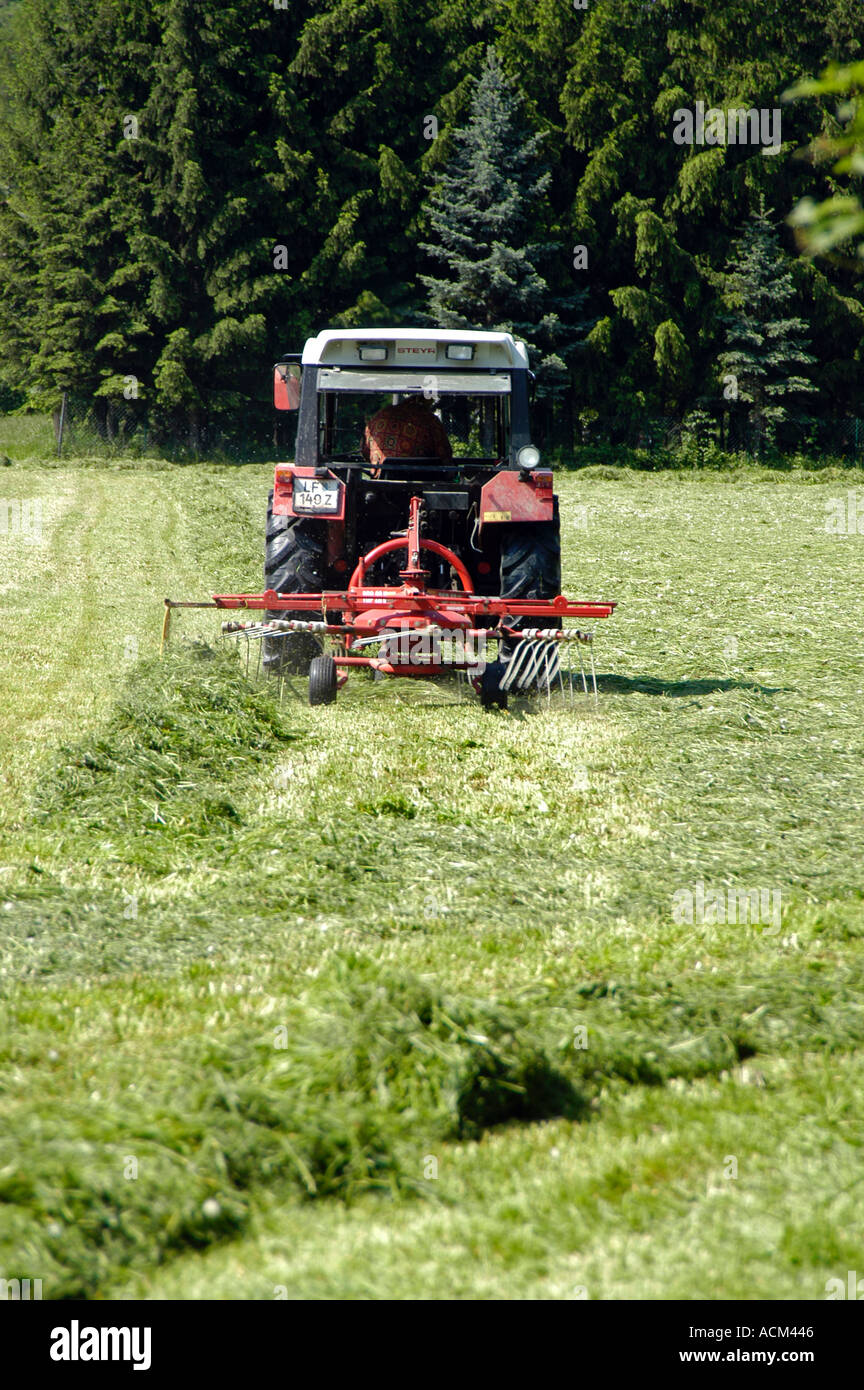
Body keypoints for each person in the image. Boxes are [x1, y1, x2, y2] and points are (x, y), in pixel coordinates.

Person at [362, 395, 452, 468]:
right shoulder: (430, 420)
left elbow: (365, 450)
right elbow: (444, 455)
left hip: (380, 480)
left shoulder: (380, 416)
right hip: (420, 480)